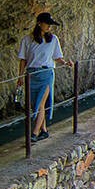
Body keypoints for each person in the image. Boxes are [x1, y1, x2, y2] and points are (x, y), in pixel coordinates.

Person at [18, 12, 65, 141]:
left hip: (46, 74)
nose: (49, 26)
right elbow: (23, 60)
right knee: (36, 104)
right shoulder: (27, 40)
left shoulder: (53, 39)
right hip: (32, 75)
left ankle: (34, 133)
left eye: (50, 24)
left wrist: (66, 63)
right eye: (47, 24)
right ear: (39, 23)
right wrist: (20, 77)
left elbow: (57, 57)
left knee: (40, 104)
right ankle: (44, 130)